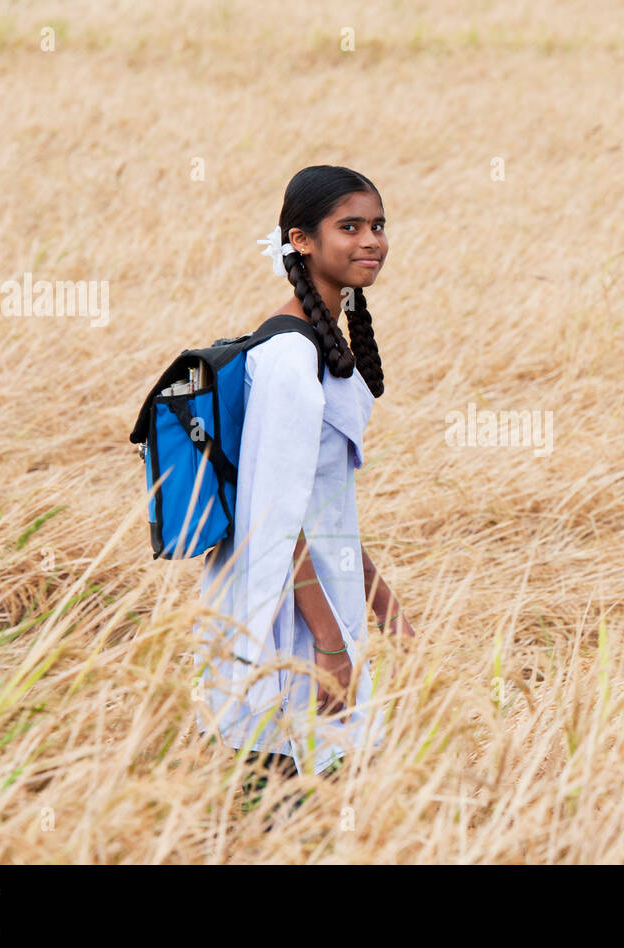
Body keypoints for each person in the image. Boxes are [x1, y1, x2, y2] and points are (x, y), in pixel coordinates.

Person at [192, 166, 416, 805]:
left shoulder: (323, 344)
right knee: (276, 807)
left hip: (321, 607)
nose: (371, 240)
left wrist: (385, 609)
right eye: (349, 227)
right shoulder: (290, 359)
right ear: (302, 240)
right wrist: (327, 645)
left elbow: (326, 510)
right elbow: (274, 516)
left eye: (377, 225)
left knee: (322, 808)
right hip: (282, 624)